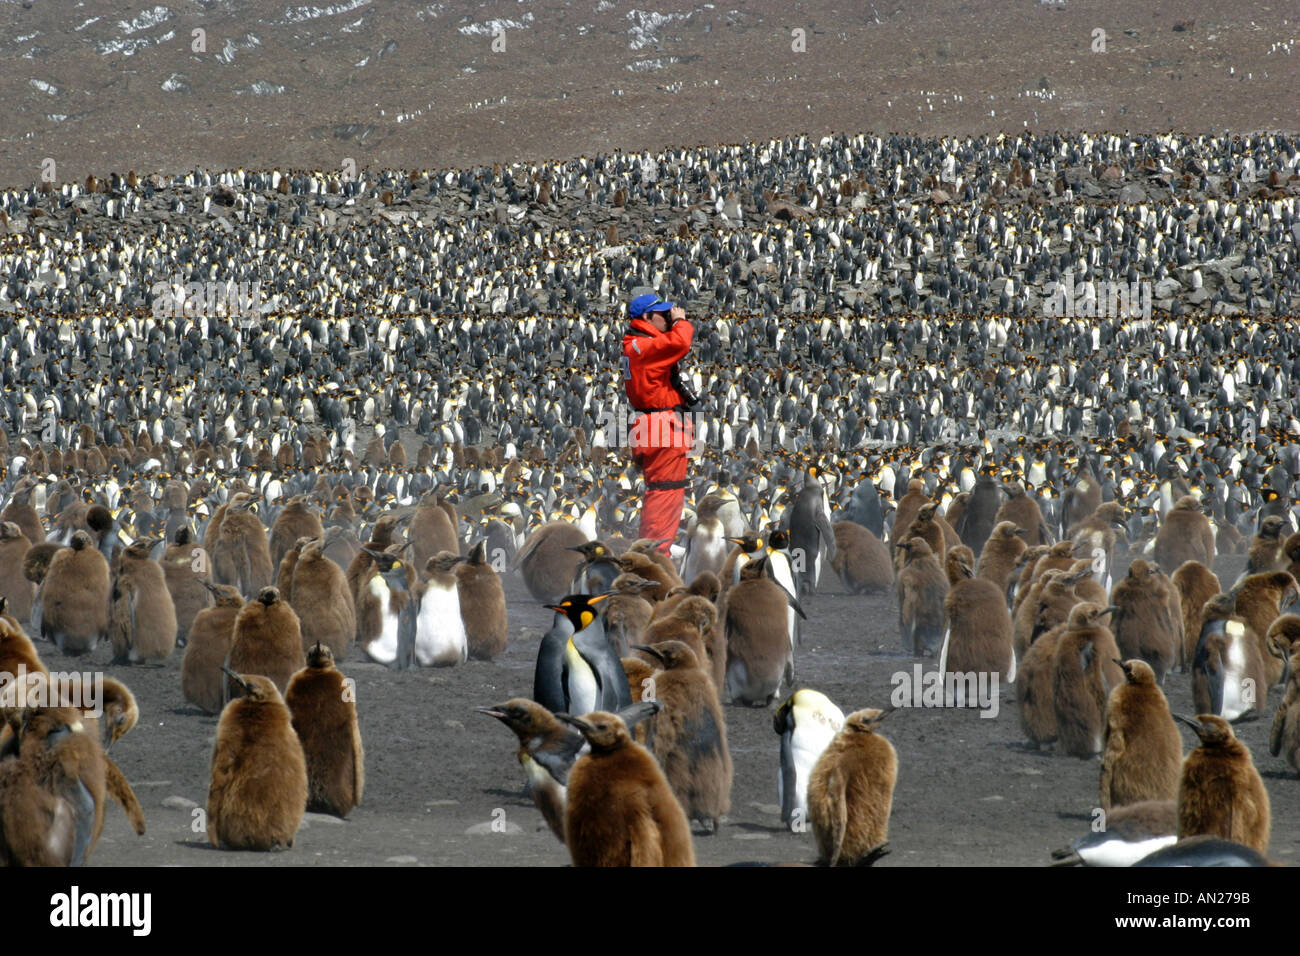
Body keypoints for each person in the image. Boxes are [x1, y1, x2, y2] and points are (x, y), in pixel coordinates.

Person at [622, 292, 696, 557]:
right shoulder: (642, 347)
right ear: (646, 317)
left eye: (669, 314)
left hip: (653, 426)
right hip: (660, 428)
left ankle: (655, 552)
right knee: (665, 492)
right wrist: (680, 322)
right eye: (662, 314)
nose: (667, 317)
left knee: (664, 491)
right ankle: (654, 556)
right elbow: (680, 343)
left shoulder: (636, 344)